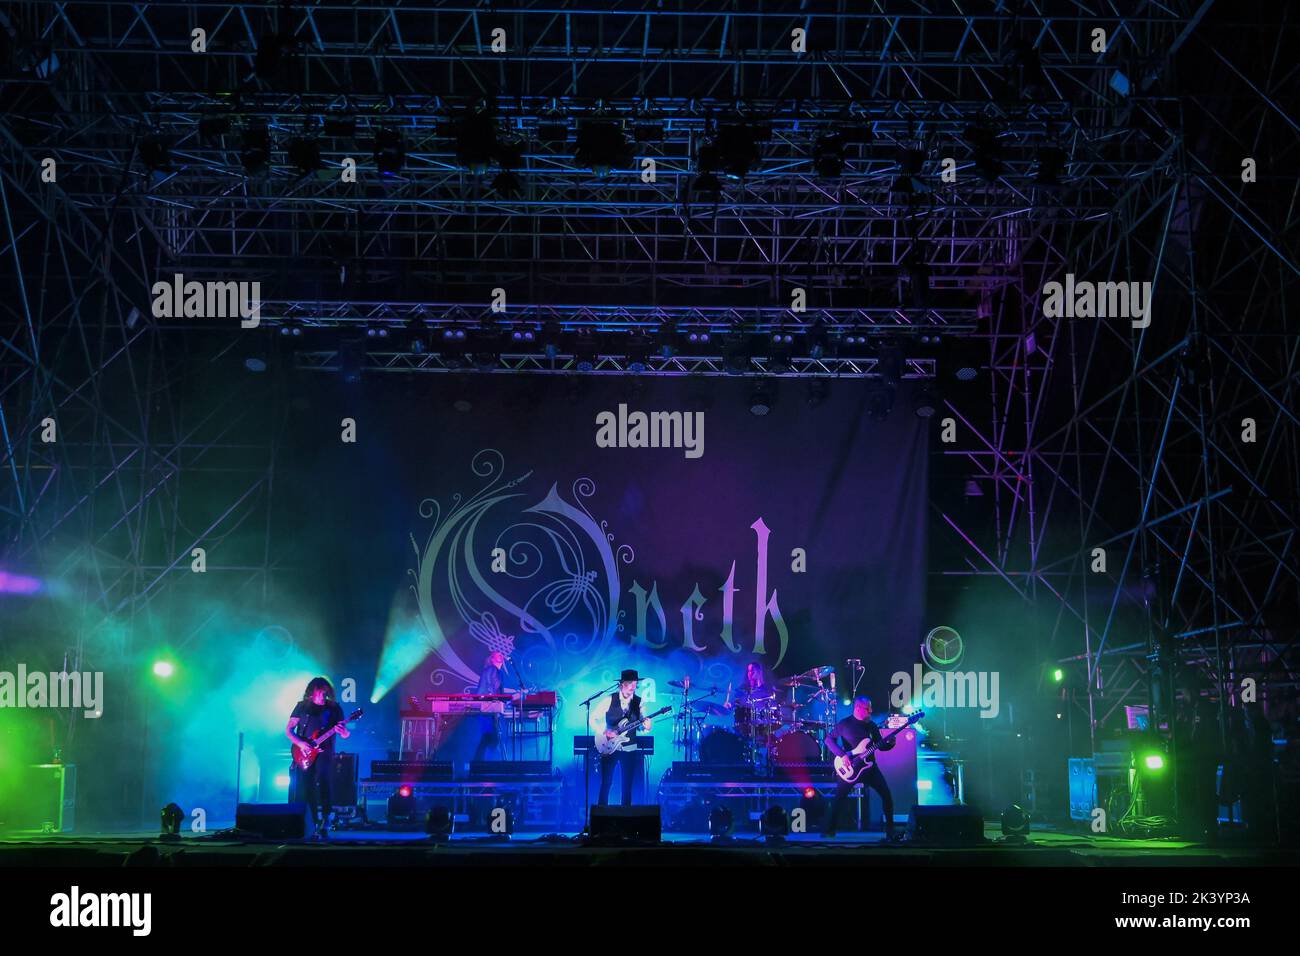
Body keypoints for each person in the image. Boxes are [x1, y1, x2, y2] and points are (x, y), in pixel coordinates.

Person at [822, 695, 896, 839]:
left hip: (869, 768)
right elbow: (828, 739)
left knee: (886, 795)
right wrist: (842, 755)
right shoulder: (845, 724)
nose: (871, 711)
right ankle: (829, 830)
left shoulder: (872, 726)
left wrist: (891, 744)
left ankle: (890, 831)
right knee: (839, 798)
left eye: (870, 708)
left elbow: (880, 746)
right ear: (857, 708)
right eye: (868, 708)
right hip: (850, 768)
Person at [285, 677, 350, 838]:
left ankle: (326, 818)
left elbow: (345, 733)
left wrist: (343, 731)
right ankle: (311, 821)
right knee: (305, 787)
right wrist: (301, 744)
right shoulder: (302, 707)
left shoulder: (334, 708)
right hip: (304, 752)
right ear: (313, 691)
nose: (323, 694)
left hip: (325, 752)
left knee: (323, 781)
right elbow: (288, 730)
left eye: (326, 691)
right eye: (320, 690)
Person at [598, 669, 653, 806]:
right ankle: (601, 816)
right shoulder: (609, 699)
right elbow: (594, 719)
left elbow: (640, 725)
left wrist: (646, 727)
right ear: (622, 684)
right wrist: (605, 731)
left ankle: (625, 818)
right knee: (606, 783)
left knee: (627, 786)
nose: (632, 690)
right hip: (609, 746)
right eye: (630, 686)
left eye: (634, 686)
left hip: (630, 747)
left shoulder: (639, 703)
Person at [472, 650, 519, 761]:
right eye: (497, 655)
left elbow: (497, 691)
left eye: (501, 655)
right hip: (487, 706)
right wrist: (499, 701)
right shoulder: (492, 669)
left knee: (490, 736)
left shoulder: (498, 672)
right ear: (492, 659)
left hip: (489, 706)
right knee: (491, 736)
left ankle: (480, 762)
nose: (501, 656)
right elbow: (492, 690)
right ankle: (484, 761)